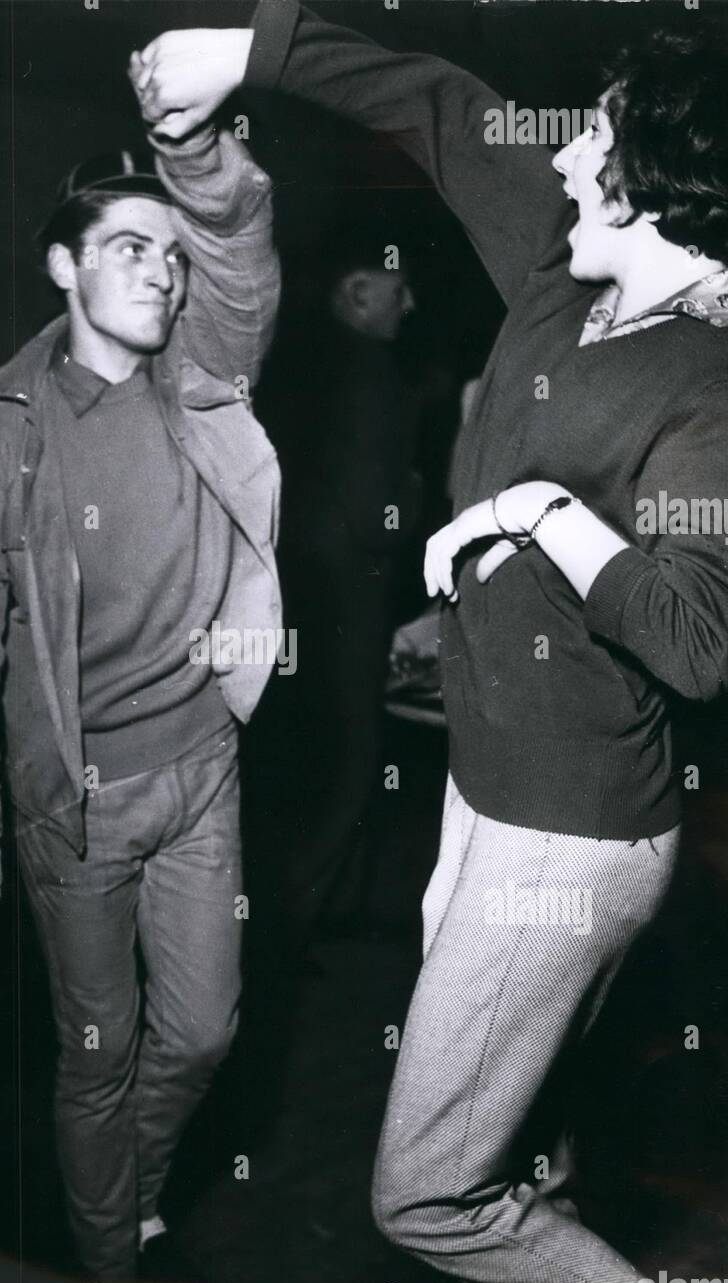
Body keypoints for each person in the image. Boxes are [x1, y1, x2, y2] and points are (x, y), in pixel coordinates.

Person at [133, 5, 728, 1283]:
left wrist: (541, 520)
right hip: (490, 792)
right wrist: (258, 50)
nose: (568, 156)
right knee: (516, 1149)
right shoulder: (565, 271)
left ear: (662, 186)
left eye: (596, 137)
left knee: (431, 1192)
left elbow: (705, 642)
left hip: (568, 833)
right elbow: (445, 103)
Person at [0, 88, 281, 1283]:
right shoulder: (0, 441)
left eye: (170, 255)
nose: (162, 274)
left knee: (203, 1031)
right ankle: (109, 1265)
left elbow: (240, 252)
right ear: (62, 265)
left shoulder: (202, 388)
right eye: (130, 247)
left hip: (200, 768)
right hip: (77, 795)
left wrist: (195, 153)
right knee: (96, 1052)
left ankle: (123, 1189)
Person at [253, 225, 422, 957]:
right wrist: (415, 496)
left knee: (315, 754)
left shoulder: (300, 363)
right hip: (347, 593)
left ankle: (312, 911)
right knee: (350, 759)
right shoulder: (371, 373)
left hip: (296, 591)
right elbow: (373, 511)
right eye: (396, 290)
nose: (409, 304)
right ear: (356, 295)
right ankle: (292, 920)